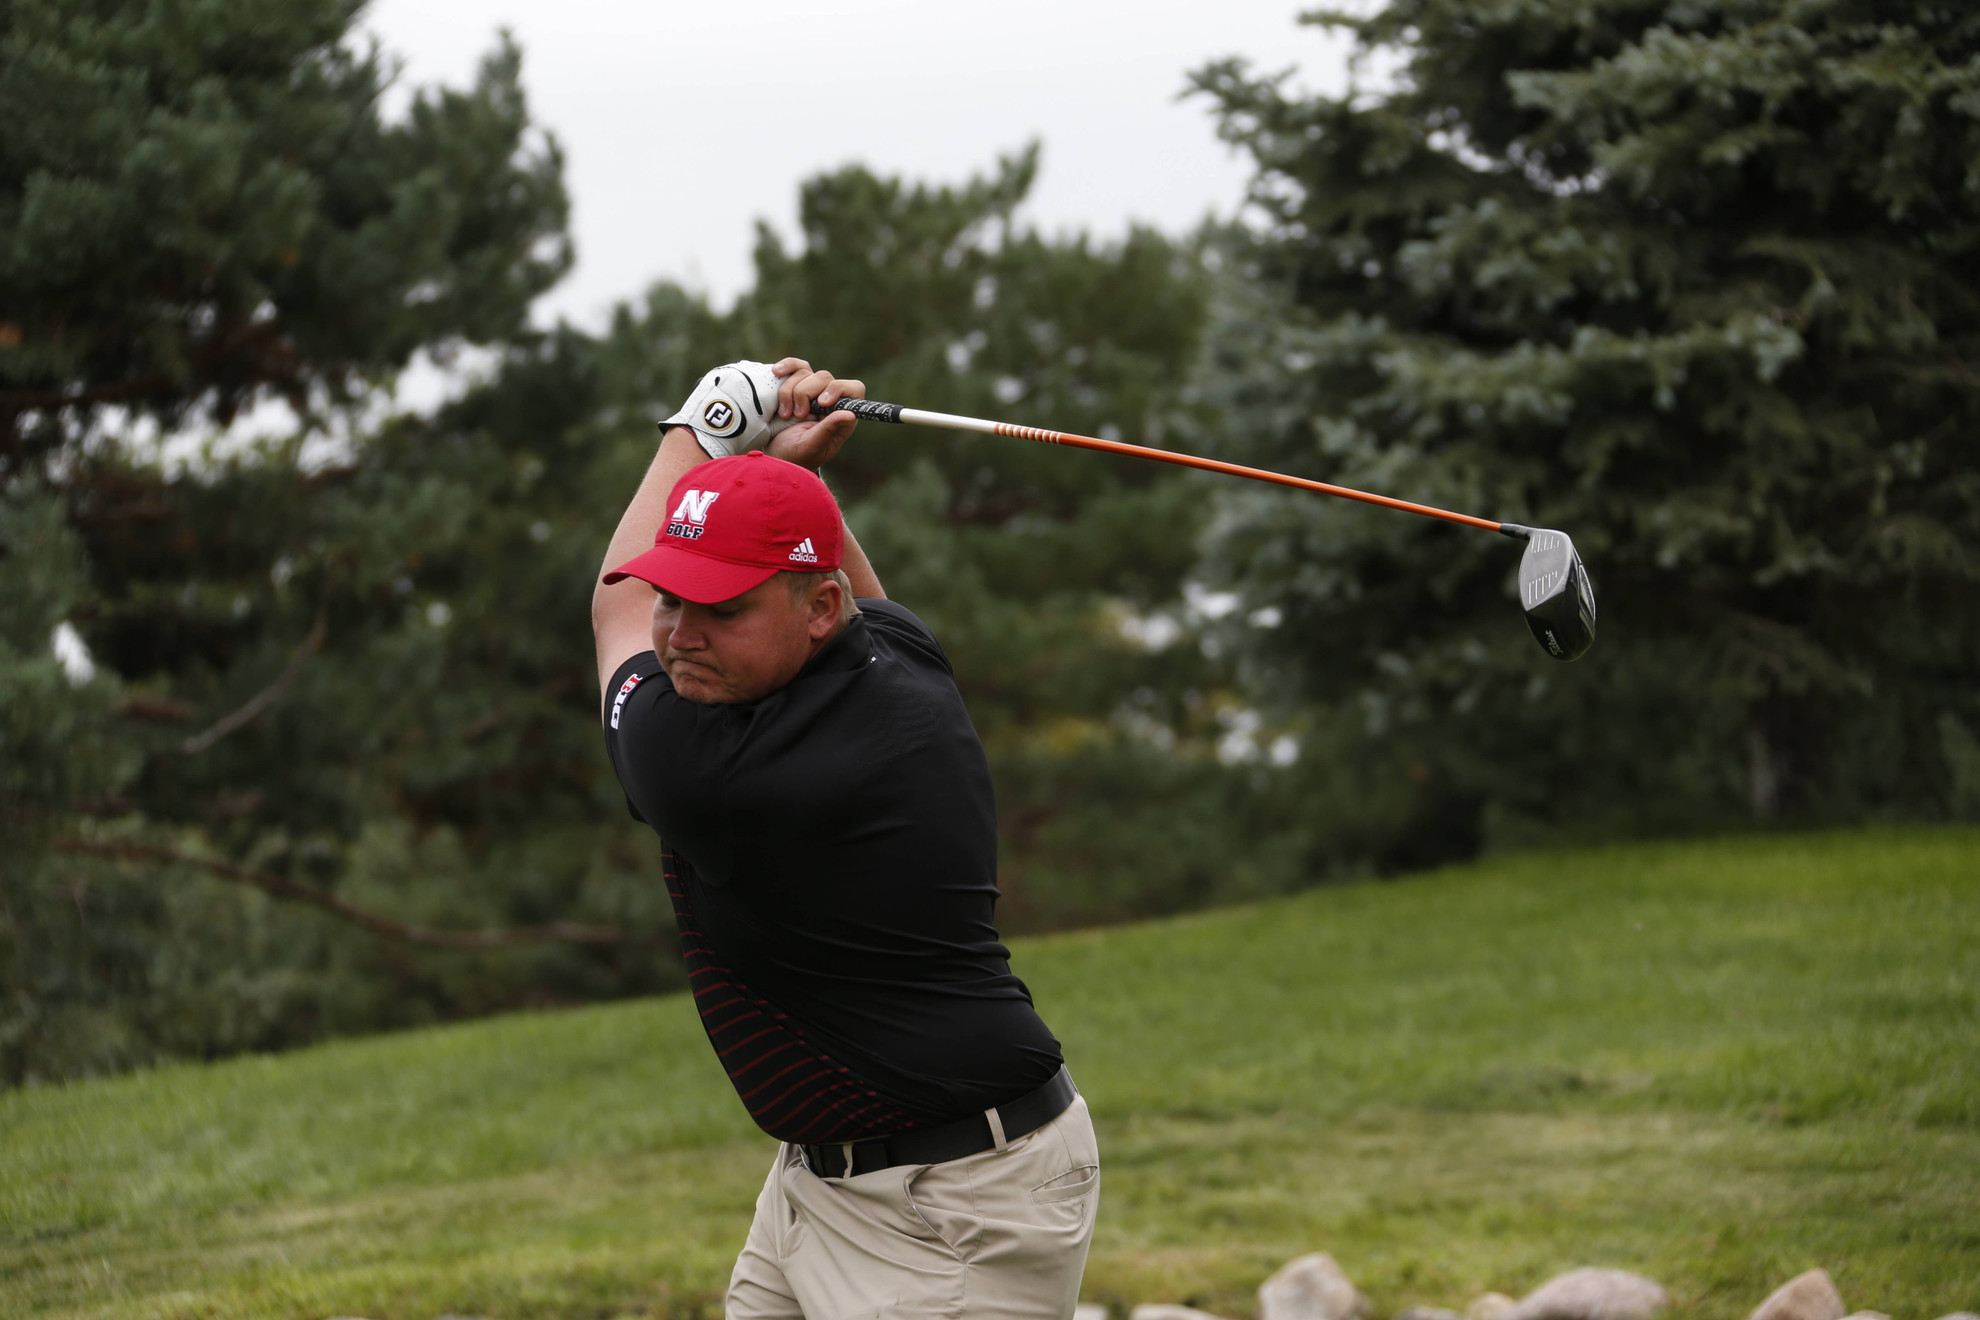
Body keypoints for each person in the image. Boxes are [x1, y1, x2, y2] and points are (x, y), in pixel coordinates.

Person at [591, 356, 1099, 1320]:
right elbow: (800, 572)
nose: (679, 635)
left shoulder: (713, 770)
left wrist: (703, 418)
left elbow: (613, 599)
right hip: (823, 1185)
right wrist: (788, 480)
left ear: (818, 611)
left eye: (723, 607)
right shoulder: (895, 653)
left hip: (950, 1211)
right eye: (677, 597)